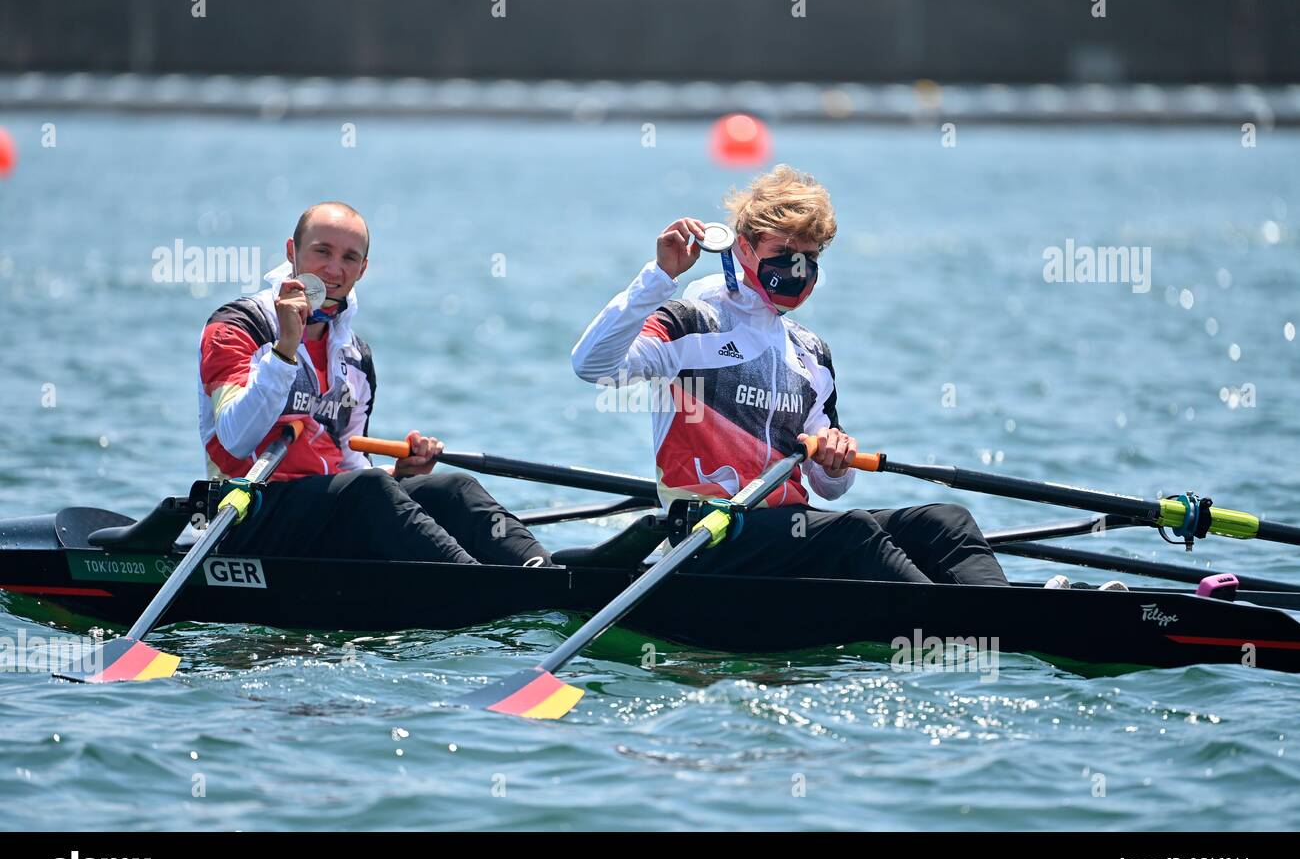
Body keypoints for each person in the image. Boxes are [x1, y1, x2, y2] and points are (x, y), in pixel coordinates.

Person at [571, 166, 1008, 586]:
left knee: (945, 522)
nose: (798, 269)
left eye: (809, 258)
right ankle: (956, 620)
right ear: (743, 248)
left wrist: (835, 460)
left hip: (785, 532)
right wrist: (659, 277)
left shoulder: (811, 353)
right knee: (855, 532)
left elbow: (830, 487)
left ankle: (1008, 618)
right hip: (710, 534)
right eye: (783, 254)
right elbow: (591, 365)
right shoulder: (689, 324)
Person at [197, 201, 550, 567]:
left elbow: (349, 467)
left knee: (455, 489)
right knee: (369, 492)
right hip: (246, 513)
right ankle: (488, 588)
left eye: (349, 258)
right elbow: (235, 439)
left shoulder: (354, 356)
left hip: (327, 511)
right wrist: (286, 349)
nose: (334, 269)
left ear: (362, 269)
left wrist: (400, 472)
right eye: (322, 252)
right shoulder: (235, 328)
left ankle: (549, 577)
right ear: (292, 252)